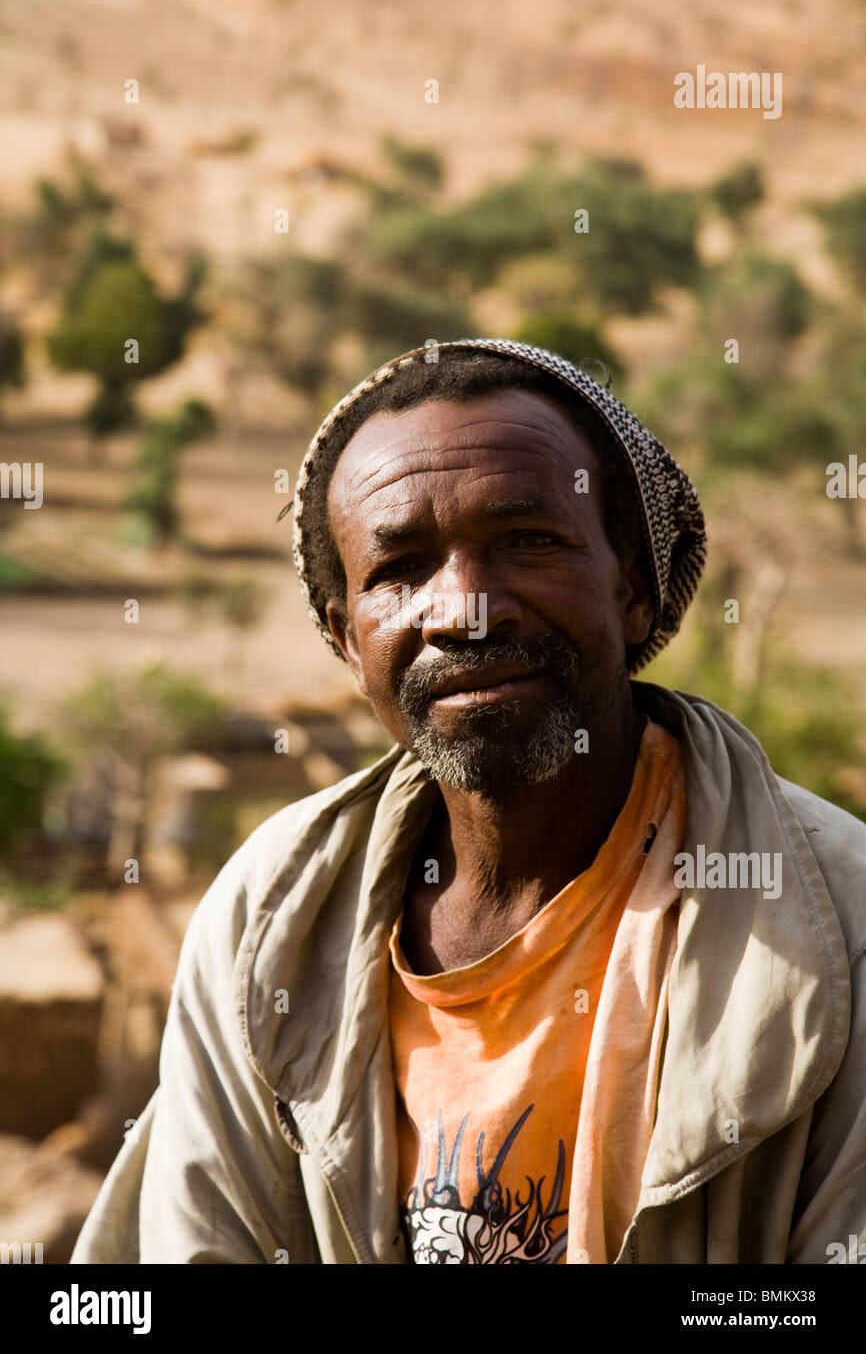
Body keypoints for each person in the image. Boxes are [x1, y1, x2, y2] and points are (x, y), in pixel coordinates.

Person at [71, 338, 866, 1265]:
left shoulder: (835, 924)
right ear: (346, 637)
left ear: (635, 592)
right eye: (400, 567)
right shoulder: (270, 919)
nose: (465, 609)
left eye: (528, 541)